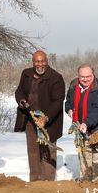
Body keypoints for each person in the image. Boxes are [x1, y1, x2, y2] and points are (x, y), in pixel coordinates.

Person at [13, 50, 65, 182]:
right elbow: (19, 91)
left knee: (47, 153)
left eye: (42, 61)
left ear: (47, 61)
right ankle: (35, 182)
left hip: (49, 122)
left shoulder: (56, 78)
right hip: (30, 120)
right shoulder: (26, 74)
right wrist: (22, 101)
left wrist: (45, 118)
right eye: (37, 61)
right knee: (33, 152)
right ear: (33, 62)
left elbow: (58, 102)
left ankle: (47, 183)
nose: (39, 64)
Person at [65, 64, 98, 181]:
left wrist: (87, 122)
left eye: (88, 76)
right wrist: (69, 109)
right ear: (78, 76)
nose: (85, 79)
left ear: (93, 75)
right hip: (81, 130)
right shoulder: (74, 85)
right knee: (85, 160)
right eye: (82, 77)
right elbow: (69, 100)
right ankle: (85, 185)